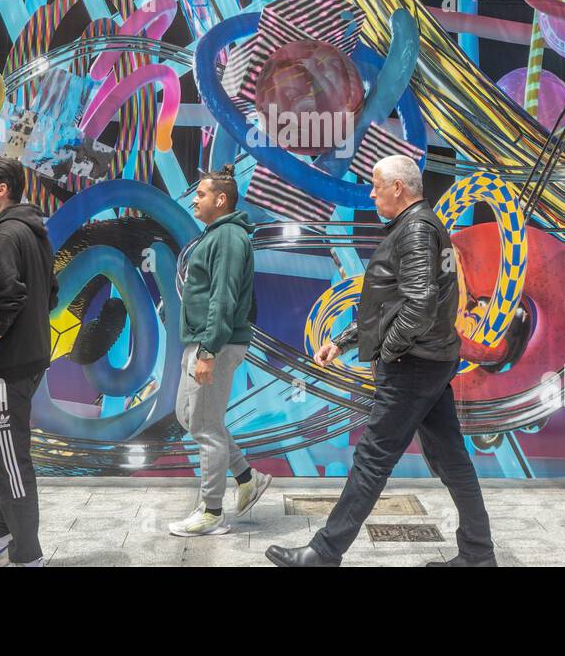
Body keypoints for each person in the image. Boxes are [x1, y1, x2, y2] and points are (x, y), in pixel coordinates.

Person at [266, 155, 495, 567]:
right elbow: (388, 303)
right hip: (430, 359)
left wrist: (388, 352)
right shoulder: (419, 226)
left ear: (398, 188)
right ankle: (478, 554)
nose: (371, 194)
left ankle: (323, 552)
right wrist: (345, 340)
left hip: (413, 364)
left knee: (372, 459)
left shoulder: (416, 231)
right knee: (451, 459)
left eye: (376, 185)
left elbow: (420, 304)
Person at [0, 156, 59, 567]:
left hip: (9, 368)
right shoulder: (34, 230)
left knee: (9, 461)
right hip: (23, 361)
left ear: (1, 190)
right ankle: (0, 536)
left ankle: (27, 557)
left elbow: (10, 298)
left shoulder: (6, 234)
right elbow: (50, 293)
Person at [168, 163, 272, 537]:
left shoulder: (228, 237)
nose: (195, 199)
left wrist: (208, 351)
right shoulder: (217, 235)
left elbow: (223, 298)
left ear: (221, 199)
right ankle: (246, 477)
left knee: (206, 428)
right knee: (189, 416)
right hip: (203, 339)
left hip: (216, 343)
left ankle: (211, 512)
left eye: (201, 194)